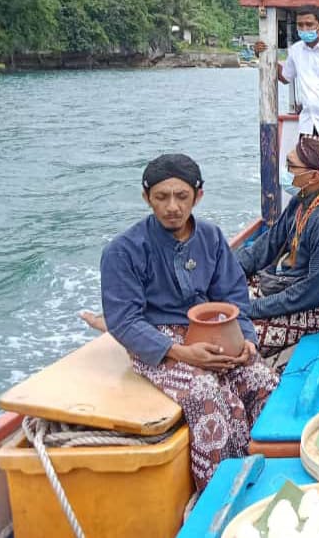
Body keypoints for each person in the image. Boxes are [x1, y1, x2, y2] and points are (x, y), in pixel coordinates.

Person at [99, 154, 277, 491]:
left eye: (181, 196)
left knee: (261, 378)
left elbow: (233, 294)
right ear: (145, 197)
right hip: (156, 341)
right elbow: (123, 321)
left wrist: (246, 340)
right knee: (205, 391)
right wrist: (182, 353)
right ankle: (218, 489)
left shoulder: (210, 237)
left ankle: (264, 470)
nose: (172, 207)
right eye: (161, 197)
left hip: (208, 330)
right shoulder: (123, 250)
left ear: (198, 195)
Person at [236, 136, 319, 358]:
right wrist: (225, 272)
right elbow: (267, 244)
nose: (285, 171)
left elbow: (317, 290)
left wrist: (253, 308)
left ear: (313, 176)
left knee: (233, 337)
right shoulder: (302, 200)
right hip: (288, 283)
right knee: (219, 298)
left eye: (290, 166)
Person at [255, 8, 319, 136]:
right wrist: (264, 55)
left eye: (309, 24)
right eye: (300, 25)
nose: (304, 28)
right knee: (303, 156)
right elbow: (285, 77)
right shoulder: (295, 51)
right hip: (307, 124)